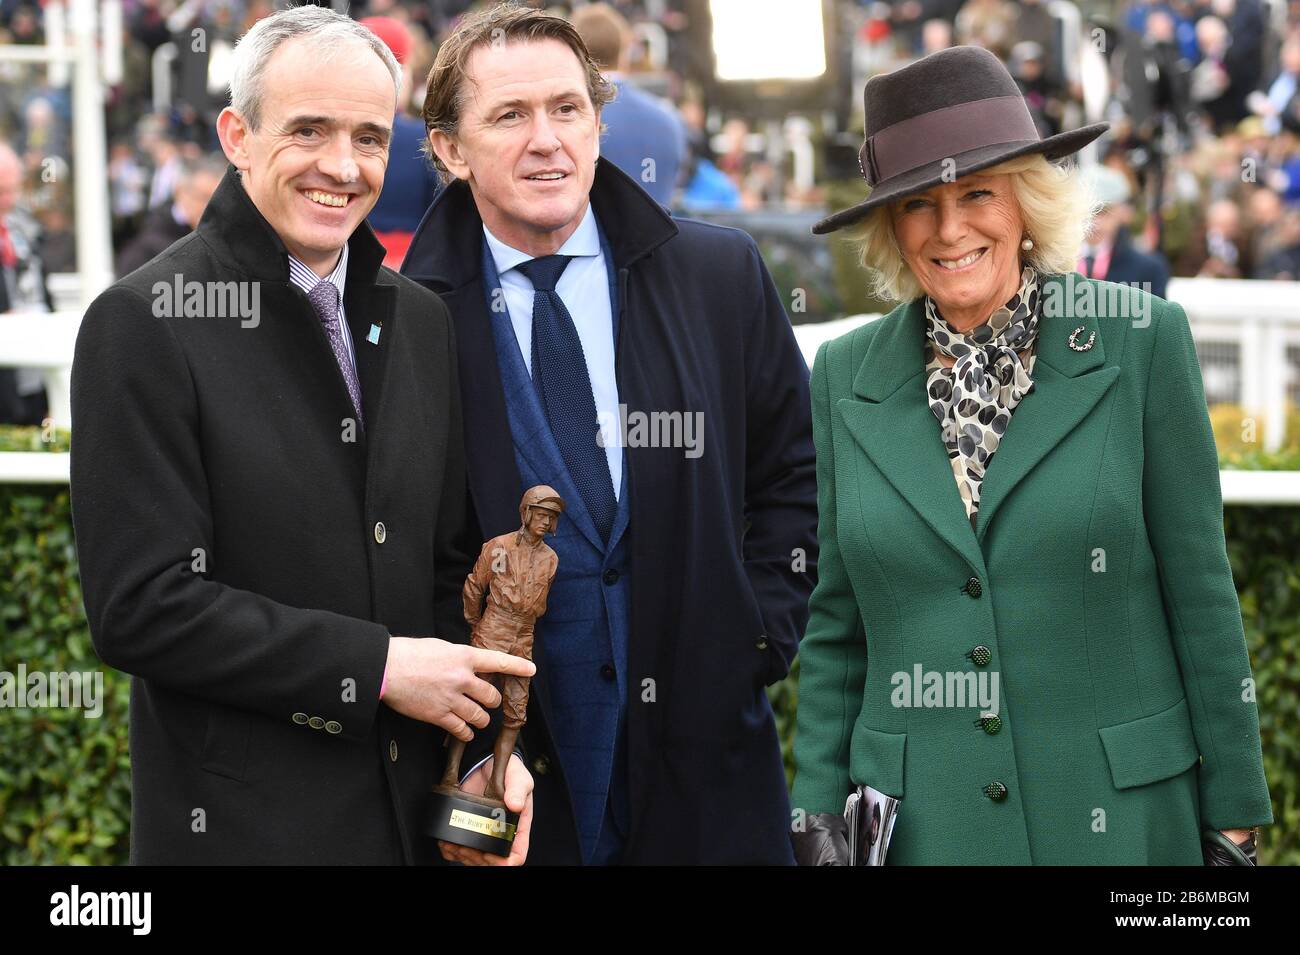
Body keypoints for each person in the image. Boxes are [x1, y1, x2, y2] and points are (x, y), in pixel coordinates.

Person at [70, 4, 535, 866]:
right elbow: (142, 608)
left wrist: (478, 763)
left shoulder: (422, 322)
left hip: (405, 828)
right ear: (236, 135)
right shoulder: (139, 321)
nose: (342, 166)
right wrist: (383, 668)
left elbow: (439, 570)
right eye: (309, 130)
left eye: (368, 136)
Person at [792, 46, 1271, 865]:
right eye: (917, 204)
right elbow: (838, 627)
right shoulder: (844, 375)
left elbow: (1201, 593)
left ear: (1027, 202)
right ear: (889, 225)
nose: (949, 230)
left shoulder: (1142, 339)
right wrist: (812, 812)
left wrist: (1233, 812)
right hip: (925, 831)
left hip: (1121, 825)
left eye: (977, 192)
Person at [403, 3, 816, 866]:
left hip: (709, 783)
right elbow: (401, 554)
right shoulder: (406, 321)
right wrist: (478, 750)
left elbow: (796, 480)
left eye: (567, 108)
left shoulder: (718, 274)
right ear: (449, 148)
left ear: (599, 121)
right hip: (516, 790)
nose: (546, 139)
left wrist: (754, 639)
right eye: (509, 116)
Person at [571, 2, 688, 207]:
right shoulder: (669, 118)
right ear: (624, 51)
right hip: (663, 235)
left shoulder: (574, 118)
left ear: (574, 53)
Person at [115, 153, 225, 278]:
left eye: (218, 199)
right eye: (203, 197)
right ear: (180, 192)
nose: (210, 207)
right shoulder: (148, 247)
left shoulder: (224, 235)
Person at [1077, 165, 1170, 298]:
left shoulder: (1148, 269)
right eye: (1087, 212)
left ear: (1122, 213)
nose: (1095, 222)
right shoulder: (1053, 266)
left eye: (1104, 212)